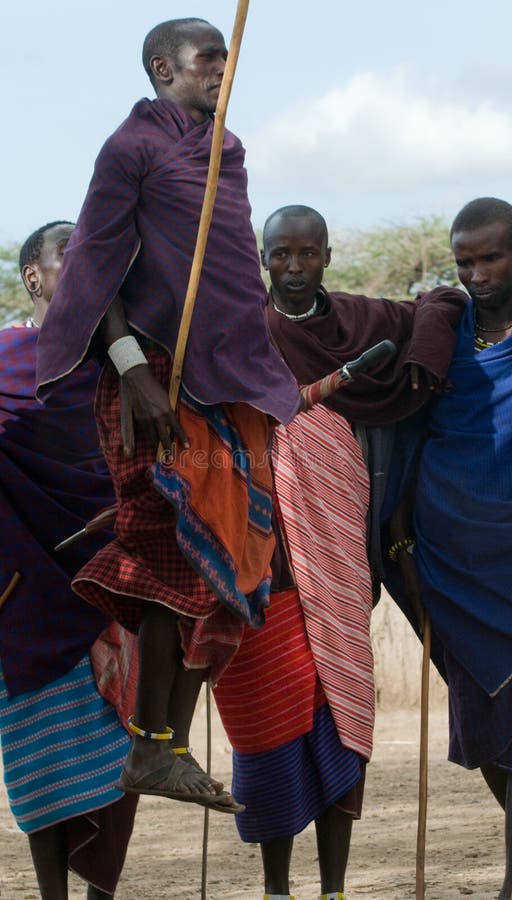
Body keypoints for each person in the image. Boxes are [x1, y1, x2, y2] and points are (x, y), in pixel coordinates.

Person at [35, 19, 301, 812]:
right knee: (170, 551)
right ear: (163, 67)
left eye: (227, 55)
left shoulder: (224, 148)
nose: (224, 68)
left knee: (221, 562)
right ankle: (150, 746)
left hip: (227, 383)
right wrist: (131, 371)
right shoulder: (132, 149)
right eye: (208, 57)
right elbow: (96, 266)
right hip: (155, 377)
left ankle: (168, 749)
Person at [213, 204, 467, 900]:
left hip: (342, 559)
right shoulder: (238, 329)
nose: (294, 268)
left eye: (307, 254)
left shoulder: (360, 321)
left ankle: (333, 888)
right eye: (280, 255)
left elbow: (443, 301)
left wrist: (422, 358)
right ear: (263, 259)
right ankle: (275, 888)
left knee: (341, 721)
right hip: (265, 572)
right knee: (270, 730)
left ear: (327, 255)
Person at [0, 220, 138, 899]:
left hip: (112, 579)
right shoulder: (2, 359)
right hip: (25, 589)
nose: (85, 266)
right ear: (33, 276)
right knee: (39, 761)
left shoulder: (121, 369)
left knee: (120, 752)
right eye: (68, 255)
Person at [387, 197, 512, 900]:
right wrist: (402, 540)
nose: (477, 274)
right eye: (465, 261)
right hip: (449, 564)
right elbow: (406, 433)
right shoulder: (440, 334)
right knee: (485, 717)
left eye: (491, 257)